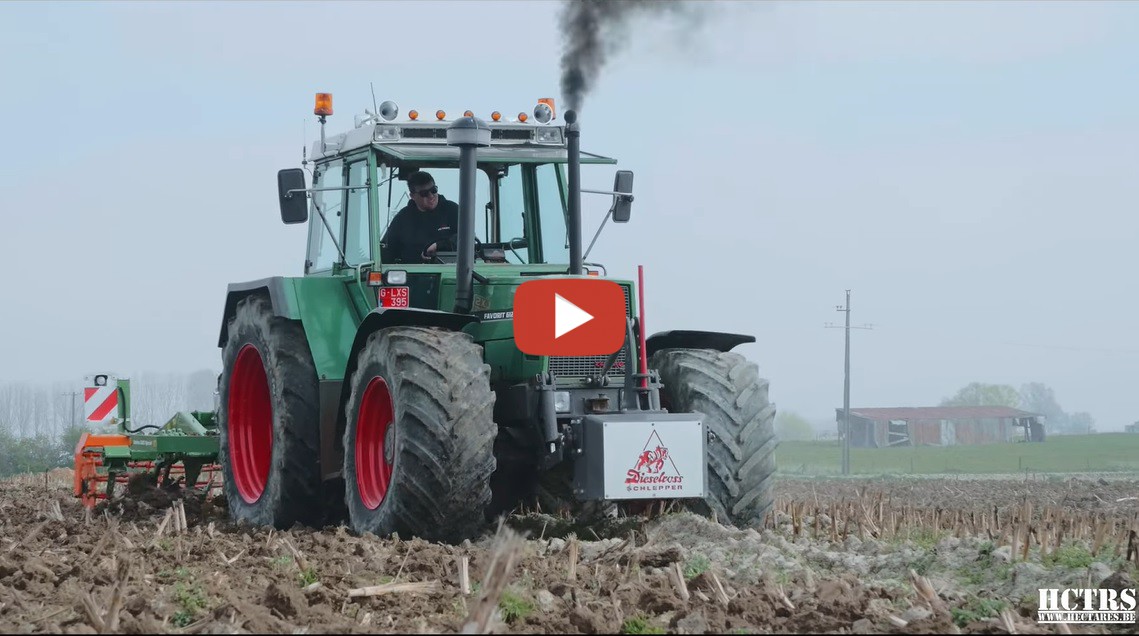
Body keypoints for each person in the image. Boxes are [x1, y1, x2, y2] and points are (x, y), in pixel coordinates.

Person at [380, 171, 460, 263]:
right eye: (424, 193)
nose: (431, 196)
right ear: (412, 196)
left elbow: (467, 239)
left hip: (450, 272)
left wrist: (438, 246)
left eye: (433, 190)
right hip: (414, 274)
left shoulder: (452, 210)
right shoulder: (402, 219)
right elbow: (388, 250)